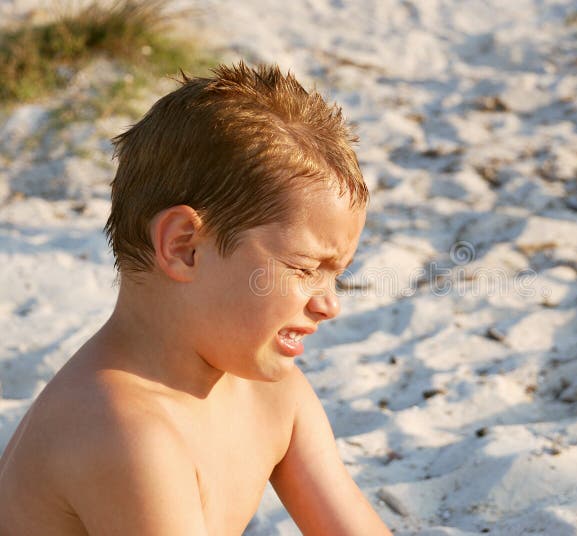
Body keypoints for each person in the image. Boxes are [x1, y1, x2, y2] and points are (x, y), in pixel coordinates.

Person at [0, 62, 391, 535]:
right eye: (306, 269)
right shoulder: (119, 430)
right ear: (184, 245)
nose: (329, 304)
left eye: (336, 276)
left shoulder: (274, 395)